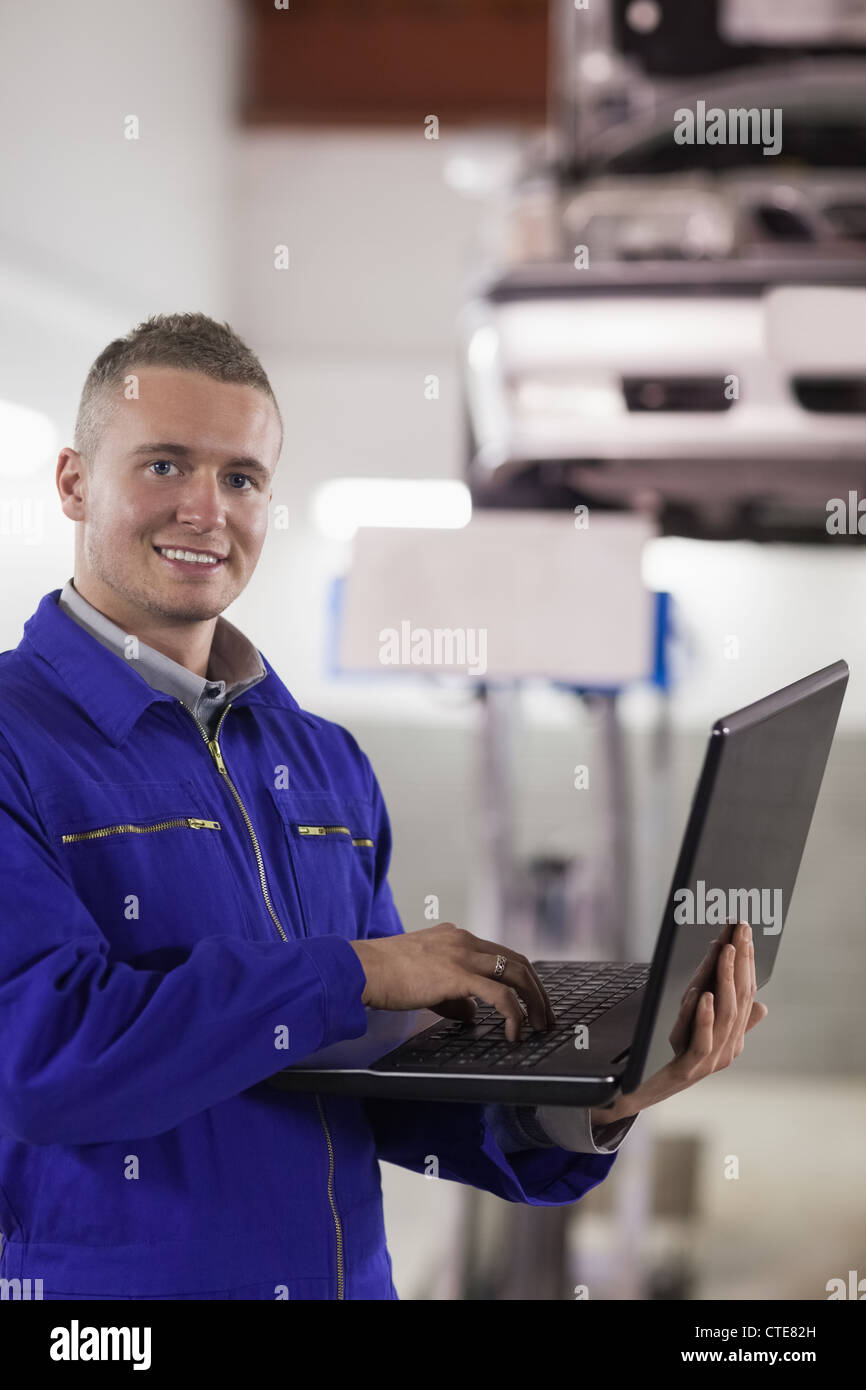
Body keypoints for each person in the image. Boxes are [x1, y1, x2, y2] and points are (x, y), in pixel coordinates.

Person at [0, 313, 767, 1301]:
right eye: (162, 466)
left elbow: (387, 1091)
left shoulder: (322, 764)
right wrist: (359, 968)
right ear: (73, 481)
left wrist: (603, 1095)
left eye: (241, 478)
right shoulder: (19, 742)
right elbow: (44, 1057)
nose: (206, 508)